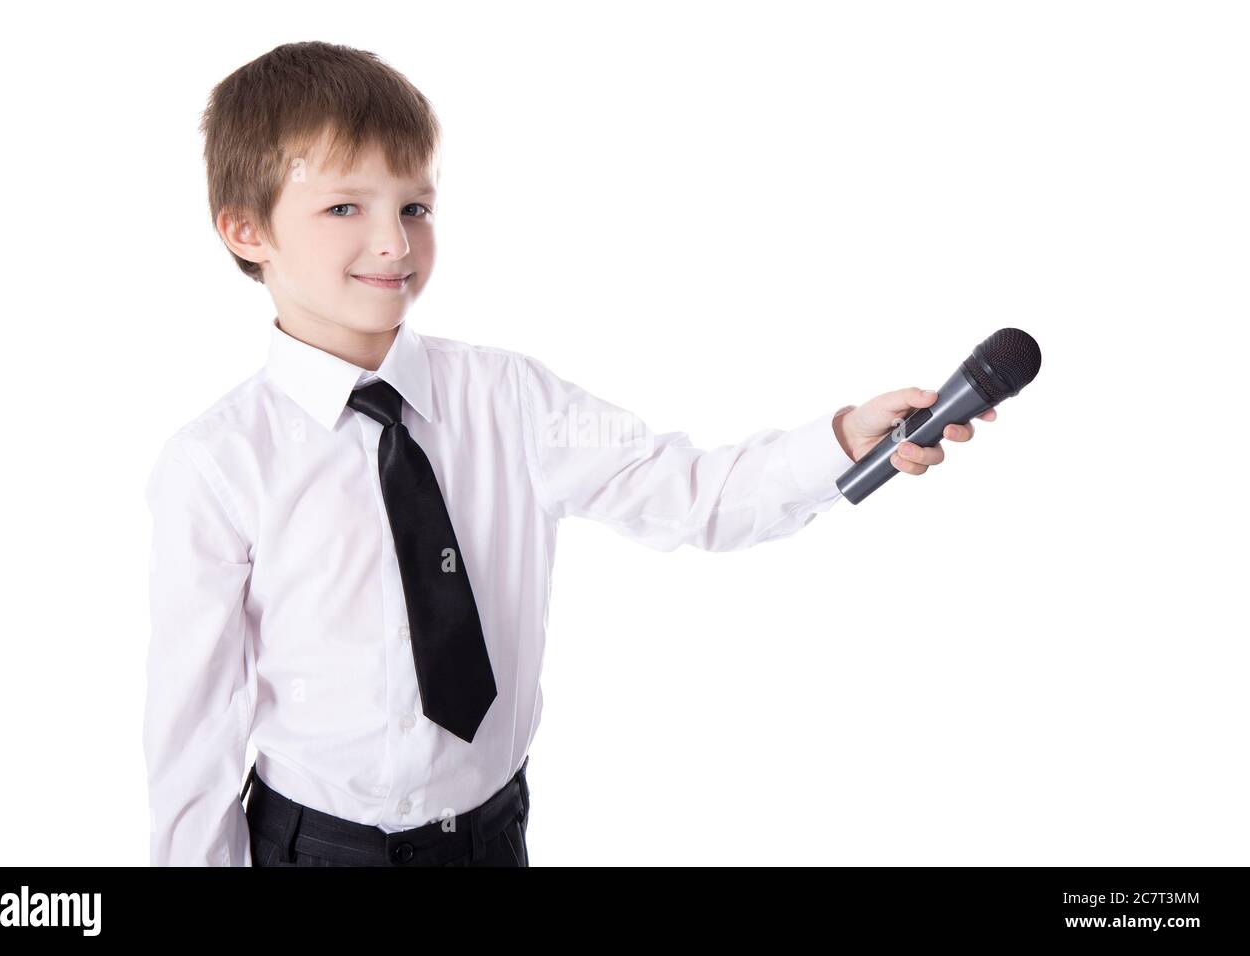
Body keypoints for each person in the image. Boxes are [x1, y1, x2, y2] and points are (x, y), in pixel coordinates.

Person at [142, 40, 997, 867]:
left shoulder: (510, 401)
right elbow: (195, 730)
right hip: (316, 847)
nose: (396, 243)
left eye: (415, 206)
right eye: (343, 208)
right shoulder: (219, 463)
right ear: (247, 229)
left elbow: (684, 491)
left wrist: (840, 440)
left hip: (488, 836)